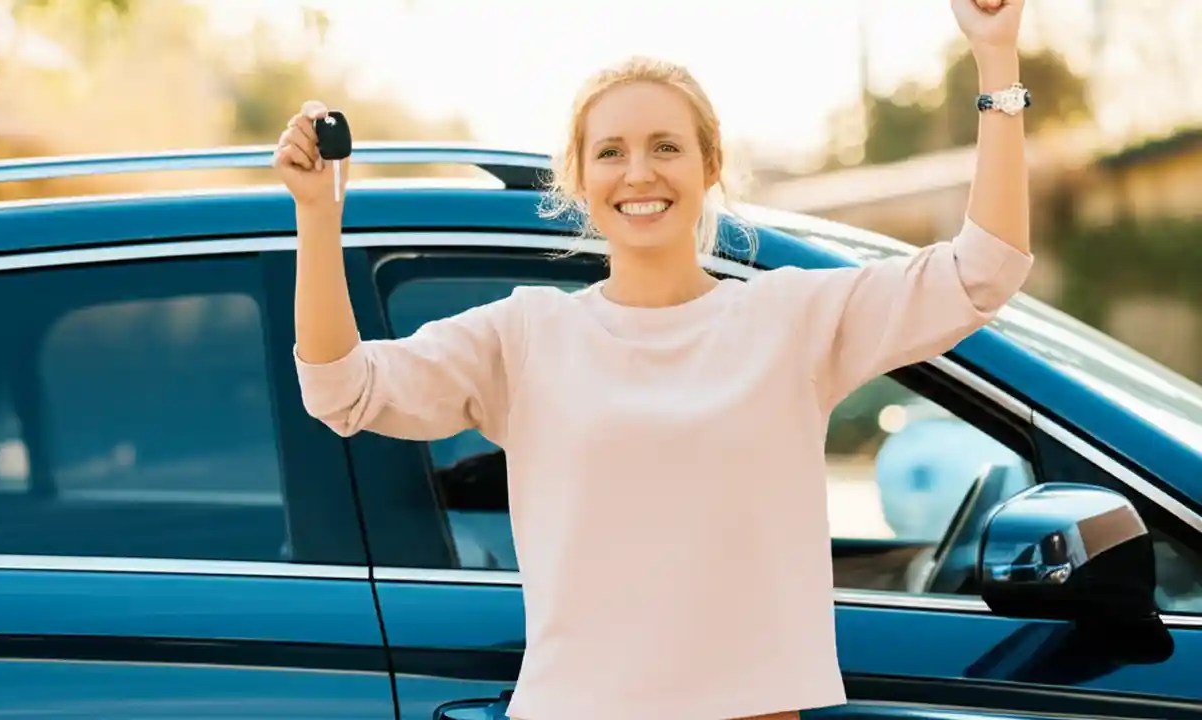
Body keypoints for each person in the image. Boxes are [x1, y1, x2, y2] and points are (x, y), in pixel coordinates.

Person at [273, 1, 1034, 717]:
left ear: (710, 166)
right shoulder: (526, 336)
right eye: (611, 152)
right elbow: (341, 390)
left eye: (665, 146)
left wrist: (995, 60)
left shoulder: (790, 319)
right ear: (579, 178)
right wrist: (316, 215)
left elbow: (983, 270)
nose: (639, 173)